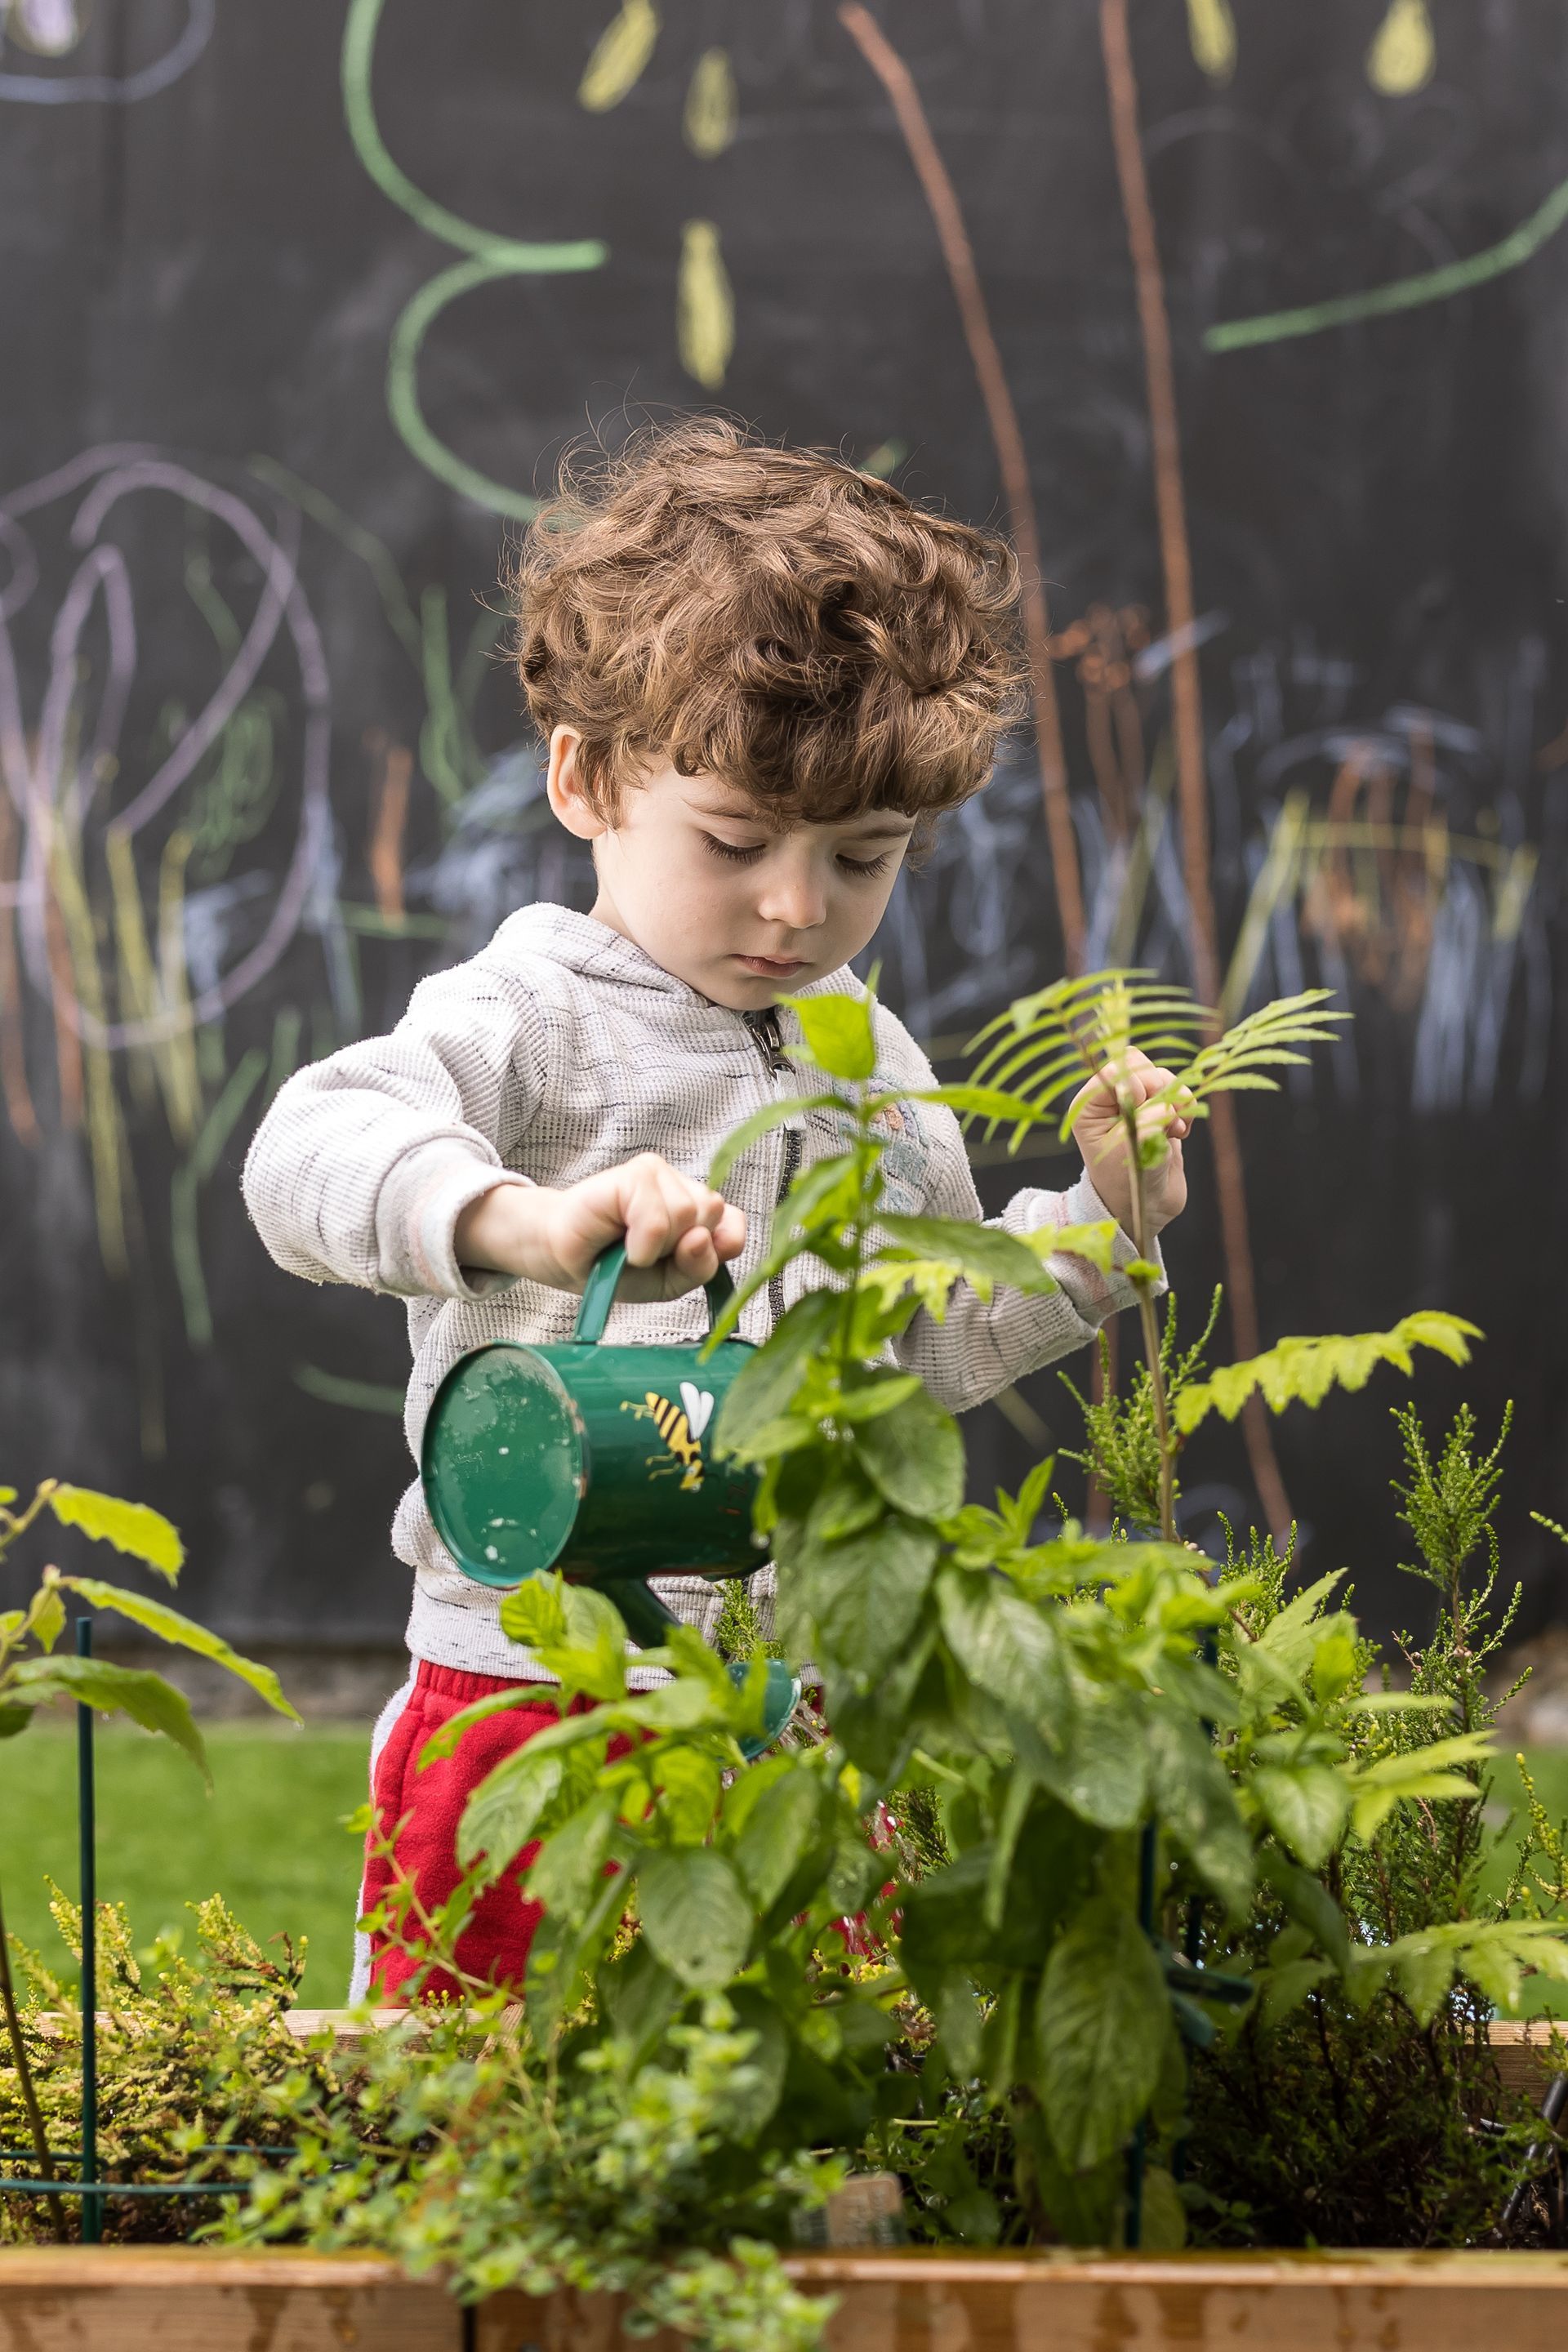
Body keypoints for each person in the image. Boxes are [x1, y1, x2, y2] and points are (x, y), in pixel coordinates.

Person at [242, 418, 1192, 1999]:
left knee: (810, 2098)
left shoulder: (864, 1052)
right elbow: (306, 1149)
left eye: (864, 857)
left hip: (794, 1711)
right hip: (536, 1694)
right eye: (738, 840)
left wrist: (1105, 1215)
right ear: (589, 778)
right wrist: (520, 1222)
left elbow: (922, 1341)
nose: (797, 905)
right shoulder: (531, 1010)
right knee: (472, 2114)